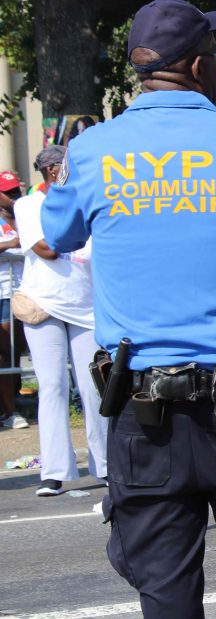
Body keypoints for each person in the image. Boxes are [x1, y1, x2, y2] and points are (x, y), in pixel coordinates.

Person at [40, 0, 216, 616]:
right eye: (214, 55)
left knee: (164, 585)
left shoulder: (92, 151)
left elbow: (58, 238)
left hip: (143, 412)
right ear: (196, 67)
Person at [13, 146, 105, 497]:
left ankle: (105, 465)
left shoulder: (87, 200)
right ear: (53, 171)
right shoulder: (29, 205)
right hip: (44, 303)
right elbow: (47, 249)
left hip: (86, 304)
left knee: (93, 387)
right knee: (51, 388)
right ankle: (54, 471)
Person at [0, 170, 26, 430]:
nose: (13, 196)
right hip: (2, 290)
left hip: (26, 289)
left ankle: (15, 395)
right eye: (8, 192)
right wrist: (10, 245)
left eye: (16, 190)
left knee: (17, 348)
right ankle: (9, 411)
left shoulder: (25, 214)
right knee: (4, 351)